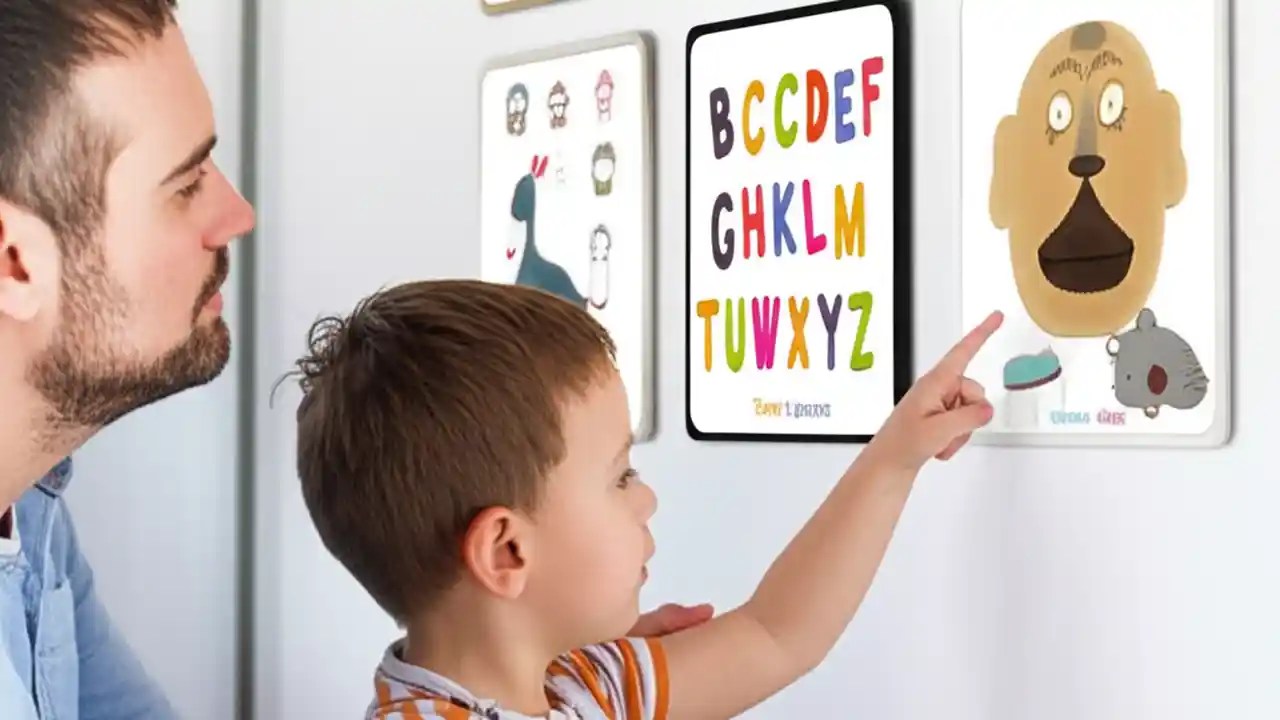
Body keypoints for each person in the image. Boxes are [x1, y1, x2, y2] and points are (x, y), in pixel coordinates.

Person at [0, 2, 706, 717]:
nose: (237, 214)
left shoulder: (31, 515)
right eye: (185, 185)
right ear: (14, 261)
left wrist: (535, 666)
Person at [288, 279, 1003, 719]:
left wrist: (893, 458)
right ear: (508, 552)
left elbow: (777, 635)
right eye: (621, 476)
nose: (647, 499)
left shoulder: (584, 685)